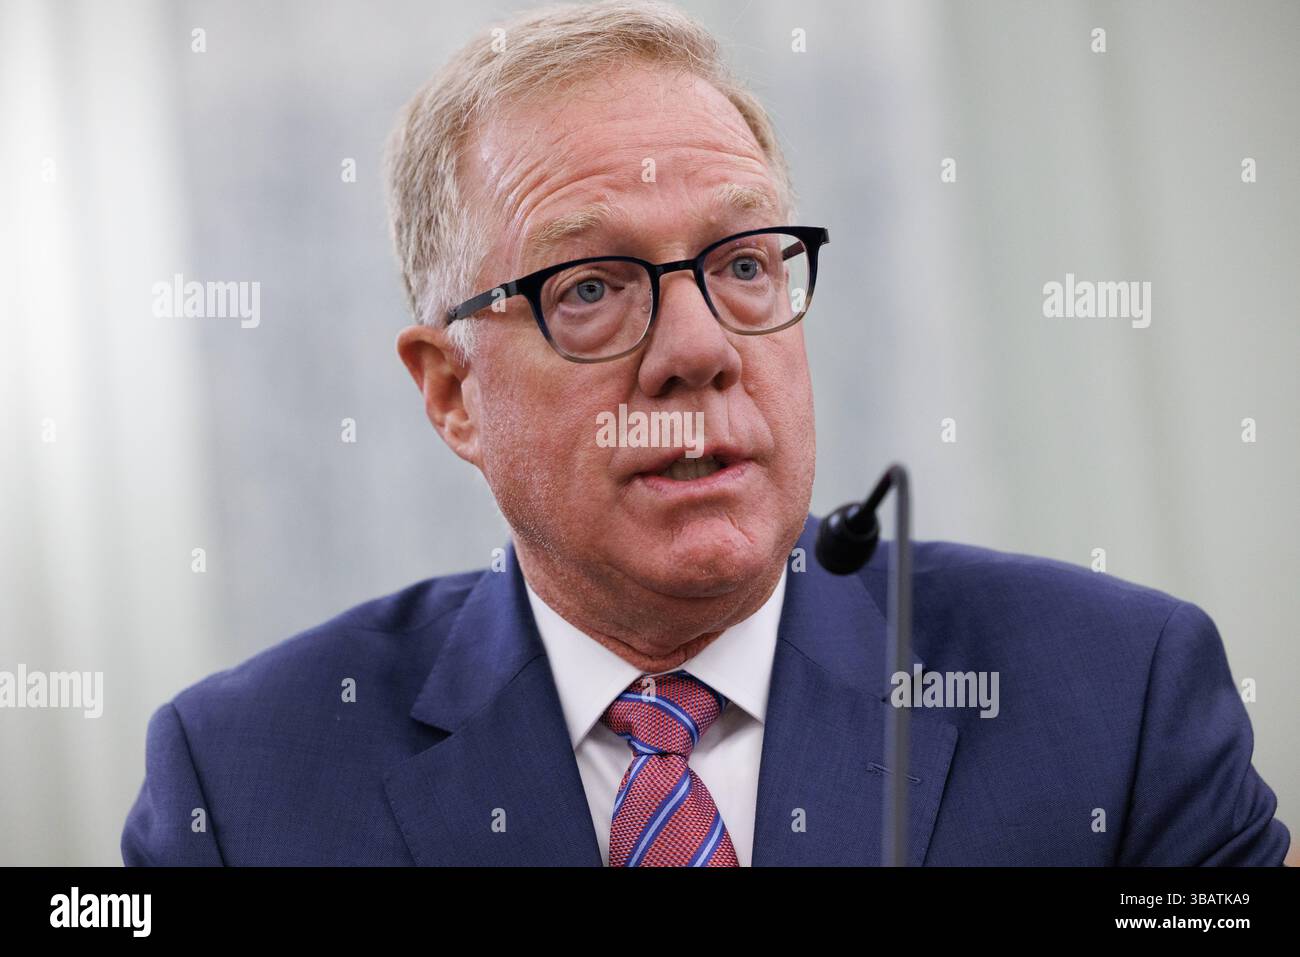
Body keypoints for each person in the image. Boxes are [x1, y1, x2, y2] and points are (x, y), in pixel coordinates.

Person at [122, 0, 1290, 866]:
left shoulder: (1112, 696)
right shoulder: (245, 788)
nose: (698, 348)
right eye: (589, 287)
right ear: (450, 393)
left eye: (740, 264)